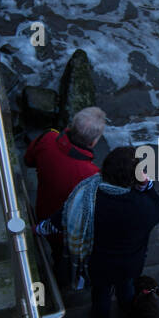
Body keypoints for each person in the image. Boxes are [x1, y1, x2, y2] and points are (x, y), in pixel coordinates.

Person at [37, 145, 159, 318]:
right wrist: (147, 186)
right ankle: (126, 312)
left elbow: (60, 220)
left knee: (101, 293)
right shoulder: (142, 207)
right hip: (129, 263)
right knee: (126, 287)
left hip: (98, 264)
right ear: (134, 178)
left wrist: (37, 229)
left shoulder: (86, 195)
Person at [25, 106, 105, 280]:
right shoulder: (92, 175)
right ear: (92, 143)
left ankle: (60, 274)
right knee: (67, 258)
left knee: (57, 253)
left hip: (43, 213)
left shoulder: (47, 138)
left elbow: (28, 160)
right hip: (70, 231)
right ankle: (64, 280)